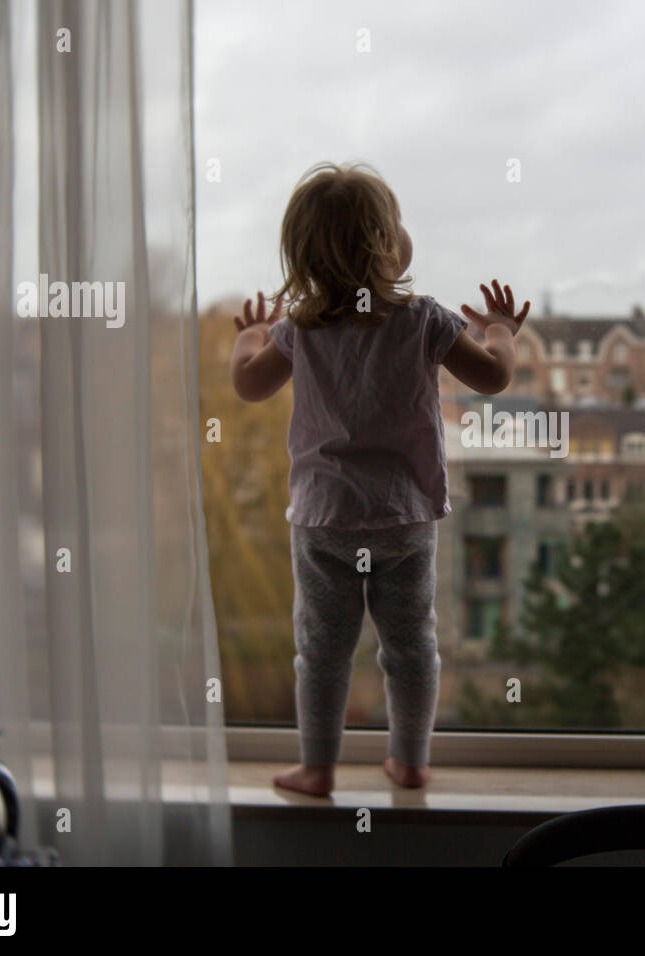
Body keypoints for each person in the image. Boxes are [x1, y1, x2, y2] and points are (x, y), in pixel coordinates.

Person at [229, 162, 530, 795]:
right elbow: (494, 379)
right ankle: (412, 761)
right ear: (383, 245)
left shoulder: (299, 329)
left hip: (323, 521)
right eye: (395, 223)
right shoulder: (423, 320)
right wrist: (500, 330)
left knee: (322, 651)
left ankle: (316, 768)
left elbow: (248, 383)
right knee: (412, 646)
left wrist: (251, 335)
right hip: (404, 518)